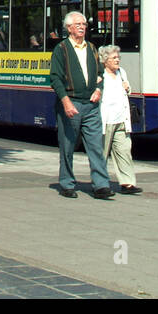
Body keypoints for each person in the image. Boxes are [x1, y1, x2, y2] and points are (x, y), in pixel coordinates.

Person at [48, 11, 112, 200]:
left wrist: (99, 89)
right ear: (69, 28)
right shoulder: (61, 49)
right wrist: (65, 102)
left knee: (95, 146)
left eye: (84, 24)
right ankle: (67, 183)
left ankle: (101, 185)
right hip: (71, 104)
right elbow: (55, 79)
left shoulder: (92, 48)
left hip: (91, 105)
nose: (82, 27)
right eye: (78, 24)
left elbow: (101, 74)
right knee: (67, 146)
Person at [98, 45, 141, 195]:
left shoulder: (122, 72)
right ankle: (100, 184)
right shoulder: (100, 75)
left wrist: (128, 87)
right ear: (105, 60)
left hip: (122, 120)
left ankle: (127, 183)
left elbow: (126, 91)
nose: (117, 60)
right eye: (114, 58)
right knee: (101, 154)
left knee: (124, 152)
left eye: (118, 57)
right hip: (106, 120)